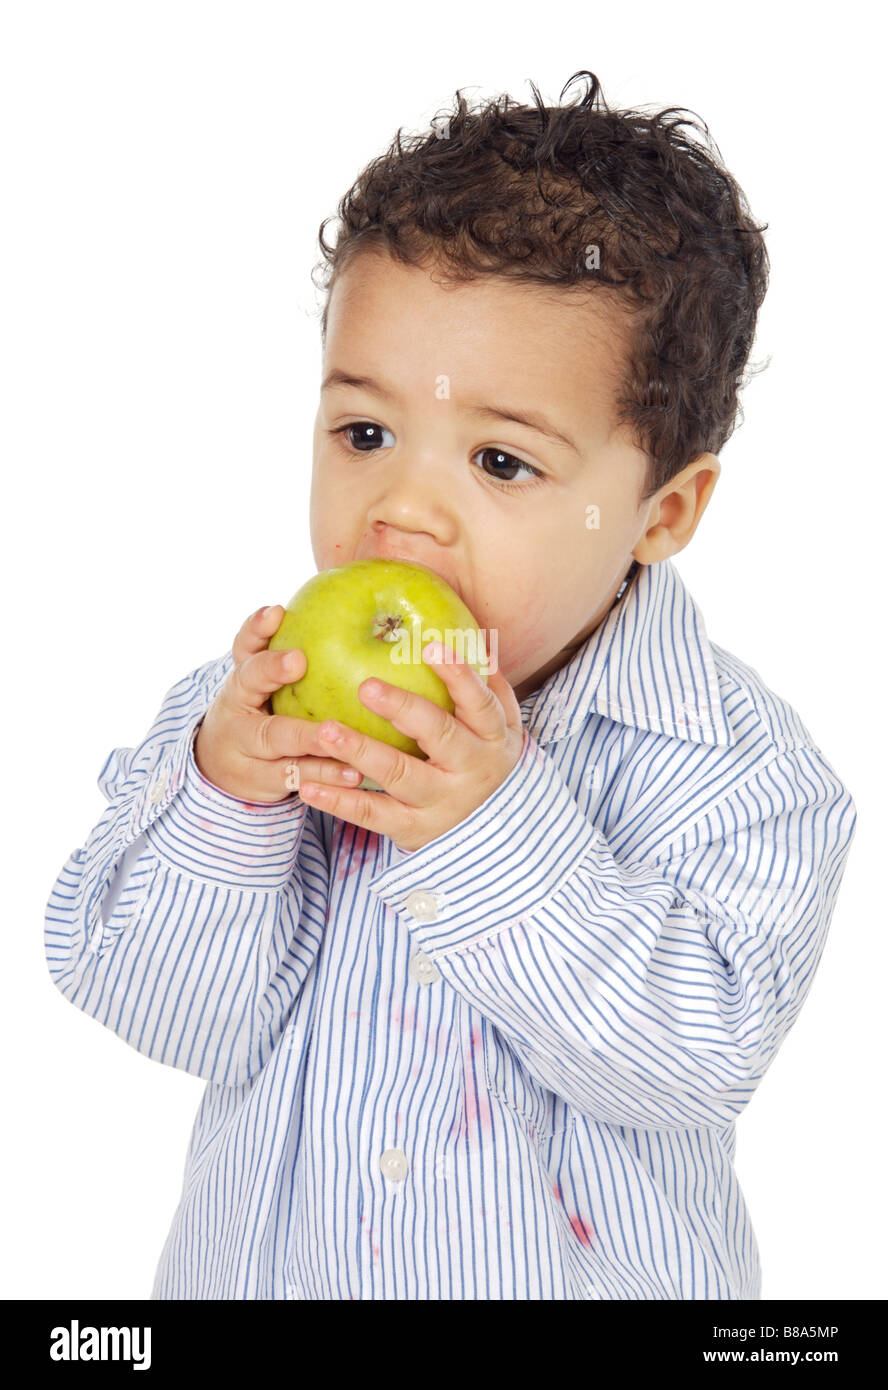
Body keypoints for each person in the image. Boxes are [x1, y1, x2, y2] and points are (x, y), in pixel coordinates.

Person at [44, 71, 857, 1300]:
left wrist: (491, 833)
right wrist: (227, 805)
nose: (403, 511)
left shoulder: (743, 774)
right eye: (364, 435)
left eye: (500, 459)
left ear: (663, 509)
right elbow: (161, 1011)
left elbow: (689, 1061)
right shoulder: (251, 713)